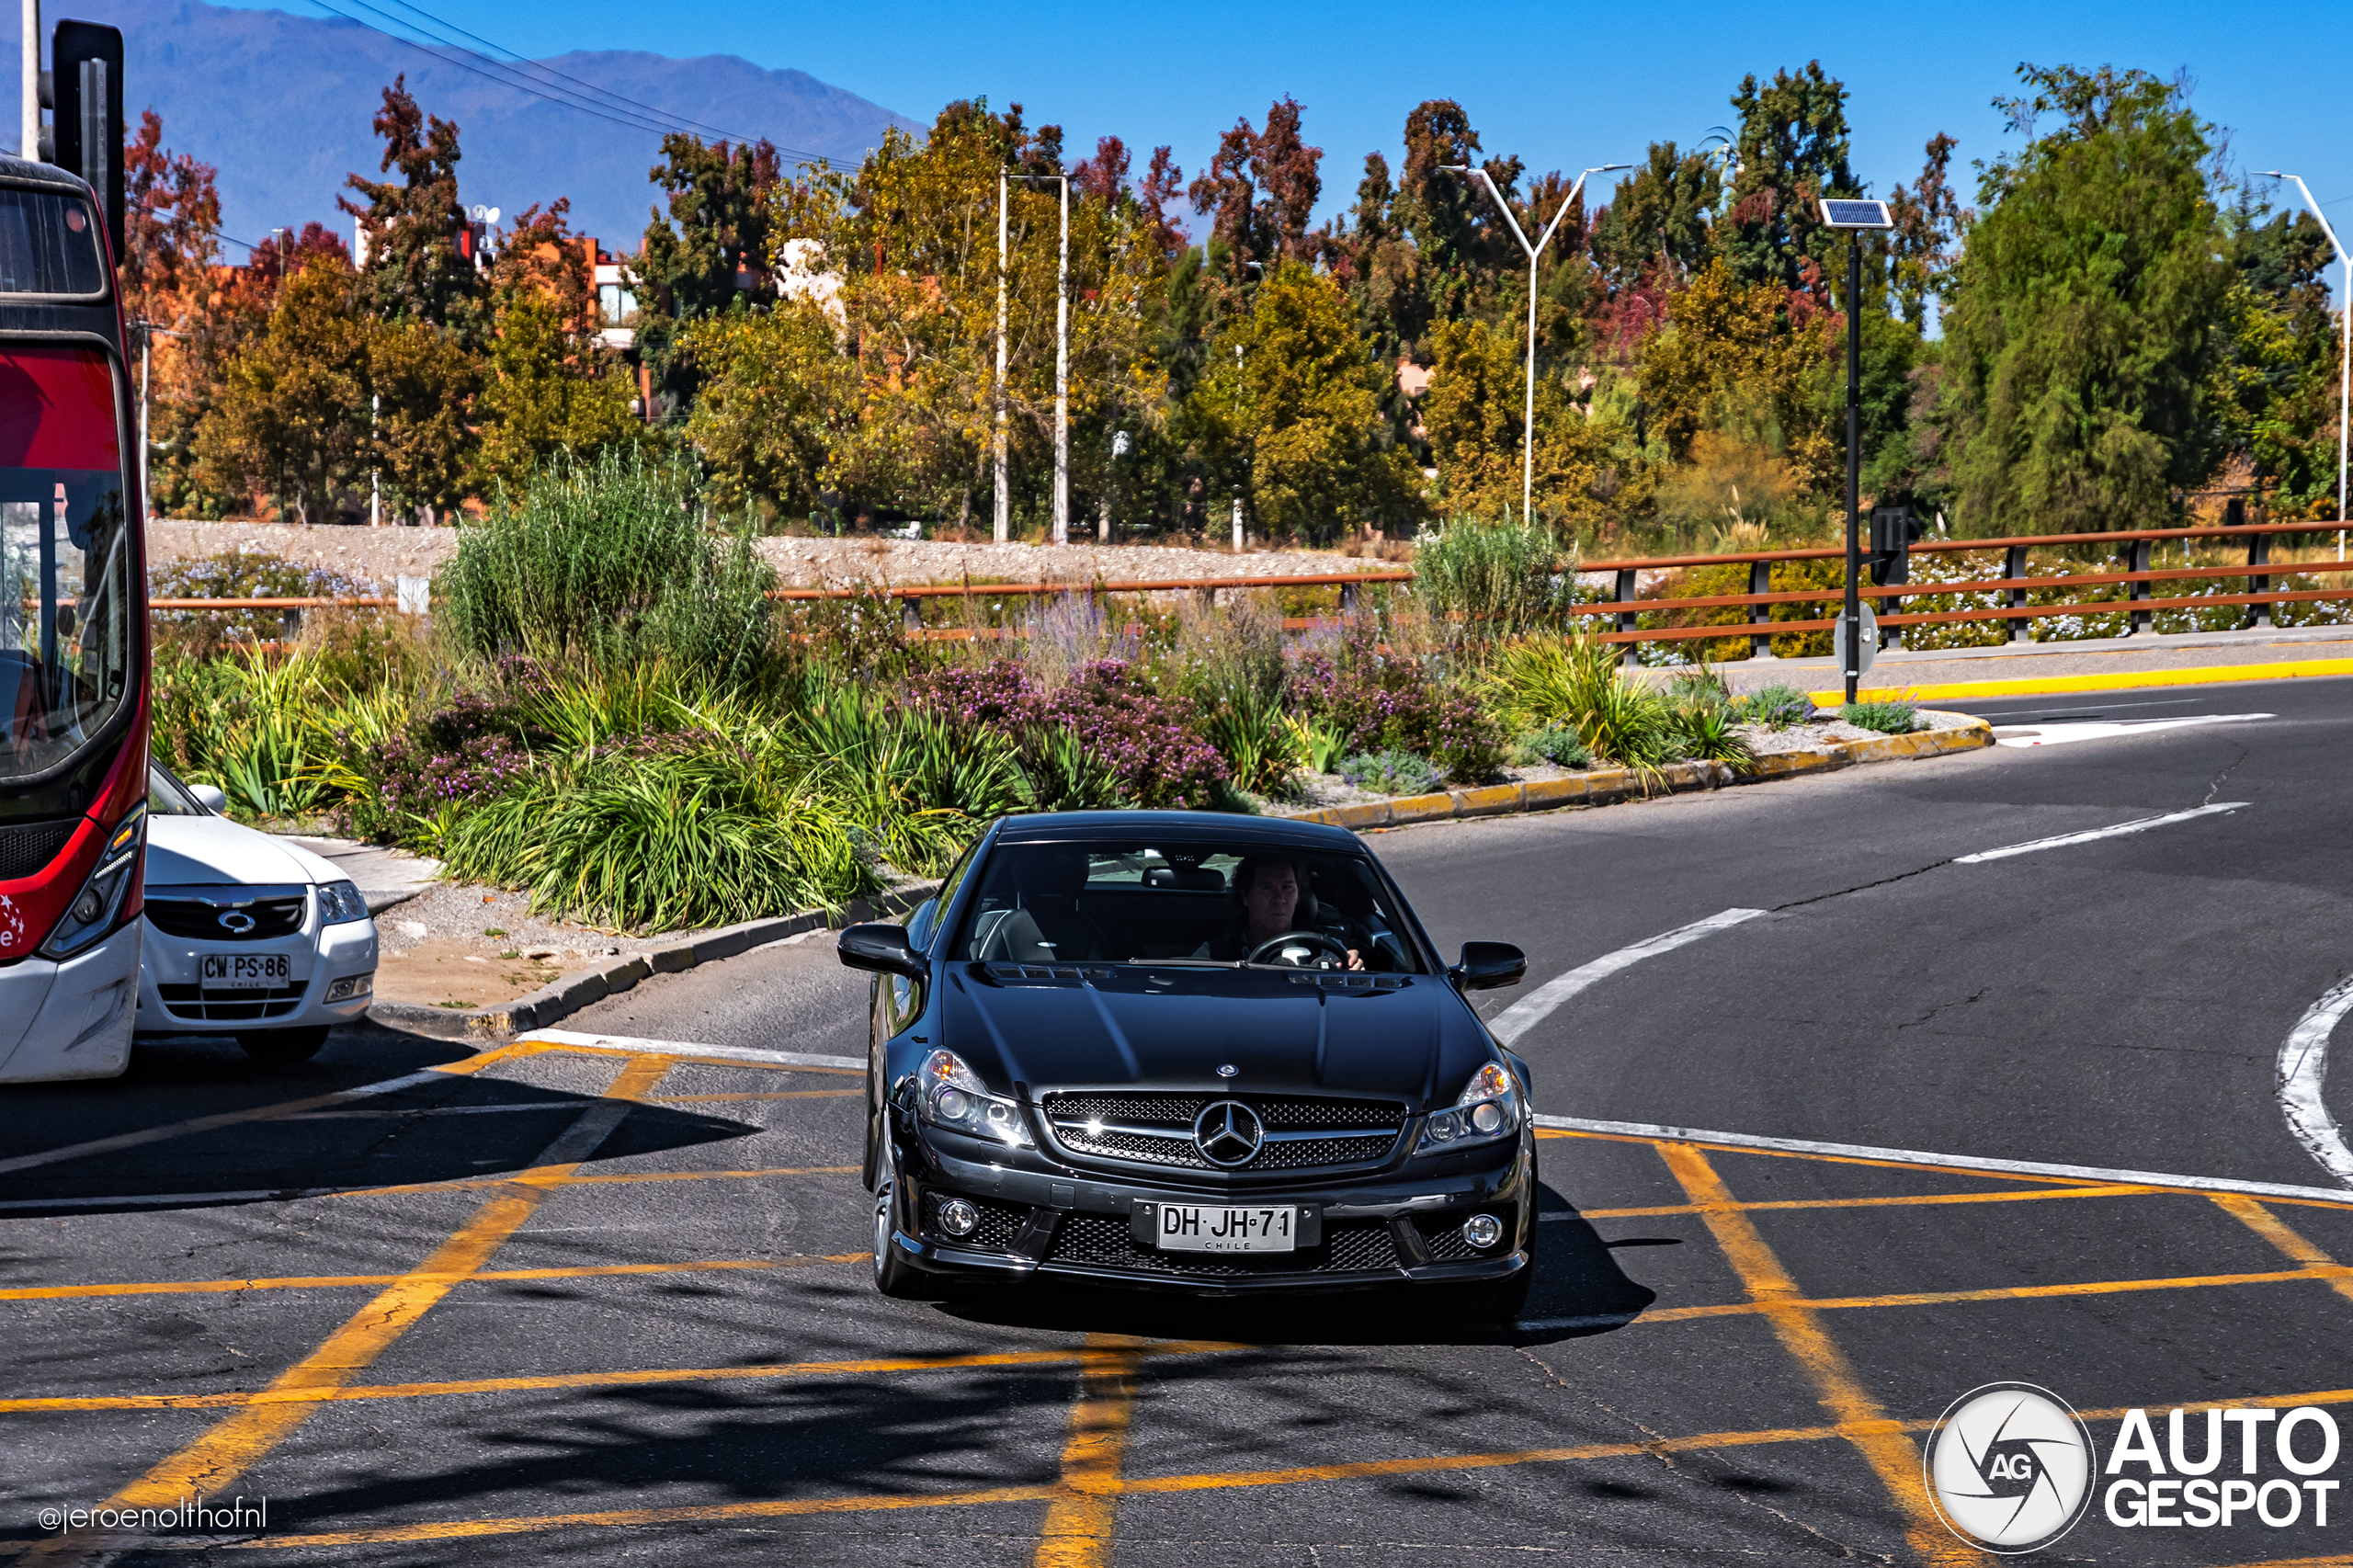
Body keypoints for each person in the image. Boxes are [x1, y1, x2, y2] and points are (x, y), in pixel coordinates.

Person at [1197, 856, 1360, 968]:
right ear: (1246, 895)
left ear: (1298, 895)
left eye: (1287, 887)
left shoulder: (1325, 948)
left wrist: (1352, 968)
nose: (1279, 898)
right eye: (1266, 888)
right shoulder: (1216, 953)